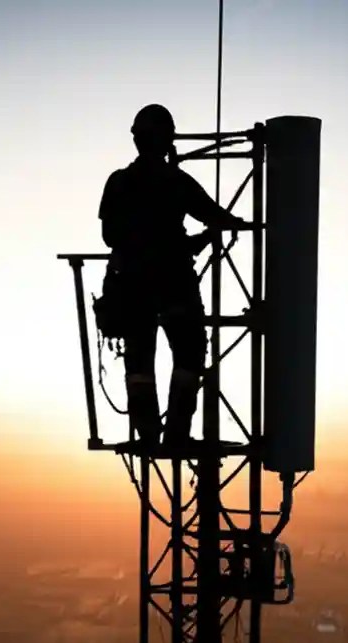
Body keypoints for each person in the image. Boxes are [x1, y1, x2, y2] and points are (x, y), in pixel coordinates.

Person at [98, 104, 252, 450]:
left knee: (139, 359)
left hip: (132, 287)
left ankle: (148, 433)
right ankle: (176, 433)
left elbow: (109, 236)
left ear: (137, 139)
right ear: (167, 141)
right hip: (173, 286)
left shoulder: (120, 182)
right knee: (189, 353)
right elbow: (213, 215)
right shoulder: (175, 182)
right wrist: (224, 229)